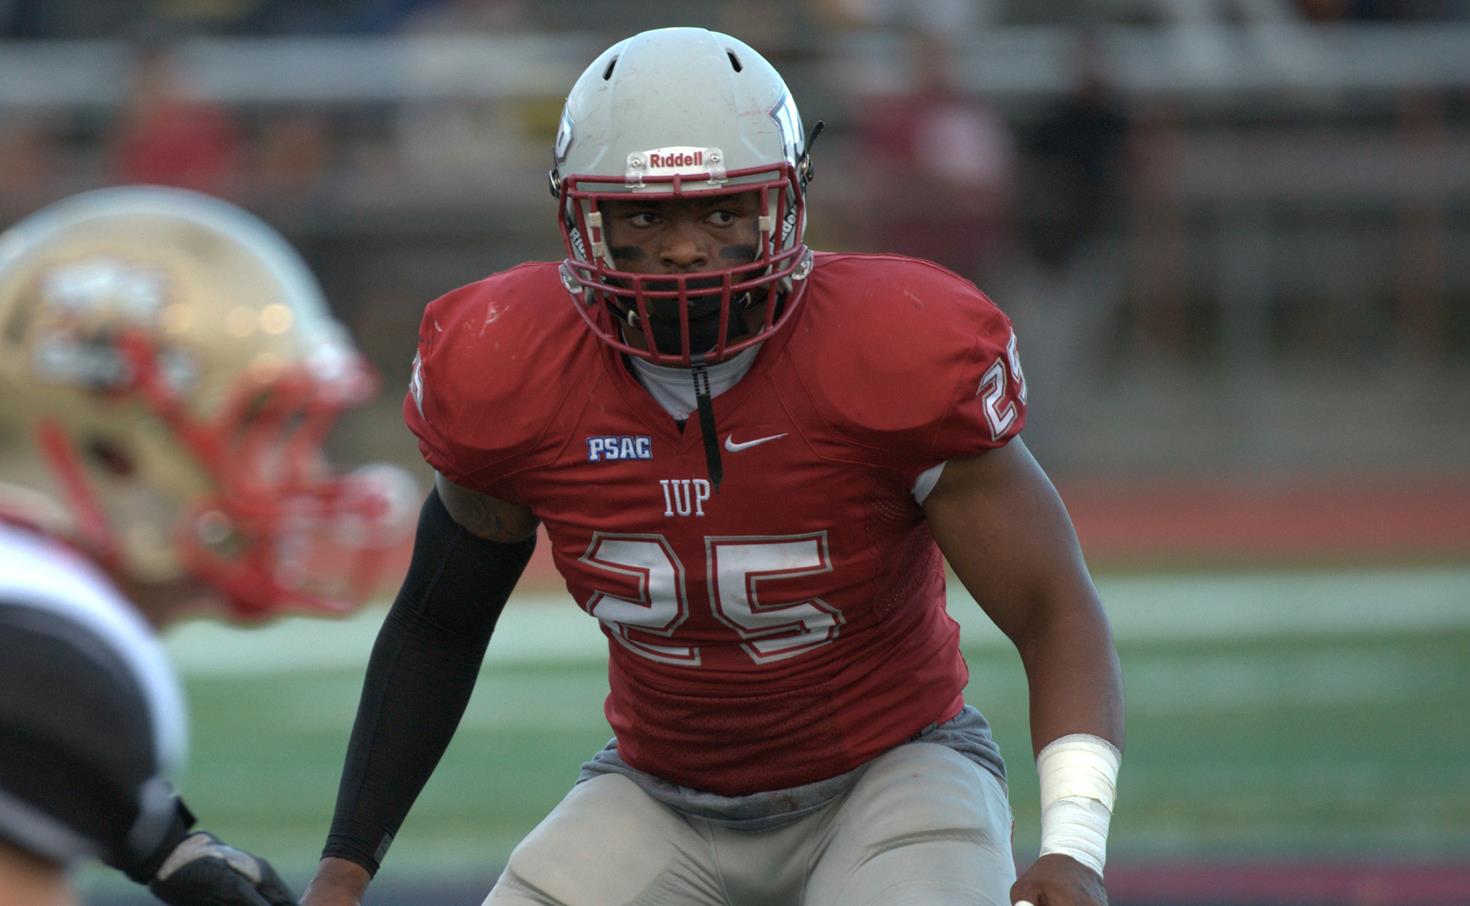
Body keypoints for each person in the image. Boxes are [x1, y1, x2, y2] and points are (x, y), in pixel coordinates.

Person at [301, 26, 1124, 906]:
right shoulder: (511, 364)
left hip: (891, 777)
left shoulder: (890, 349)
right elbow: (439, 626)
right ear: (584, 219)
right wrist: (344, 872)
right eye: (645, 215)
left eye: (722, 210)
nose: (686, 249)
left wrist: (1074, 843)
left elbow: (1053, 606)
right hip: (656, 795)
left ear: (785, 206)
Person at [0, 186, 415, 905]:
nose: (306, 477)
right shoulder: (52, 668)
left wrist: (149, 835)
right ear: (117, 455)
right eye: (265, 430)